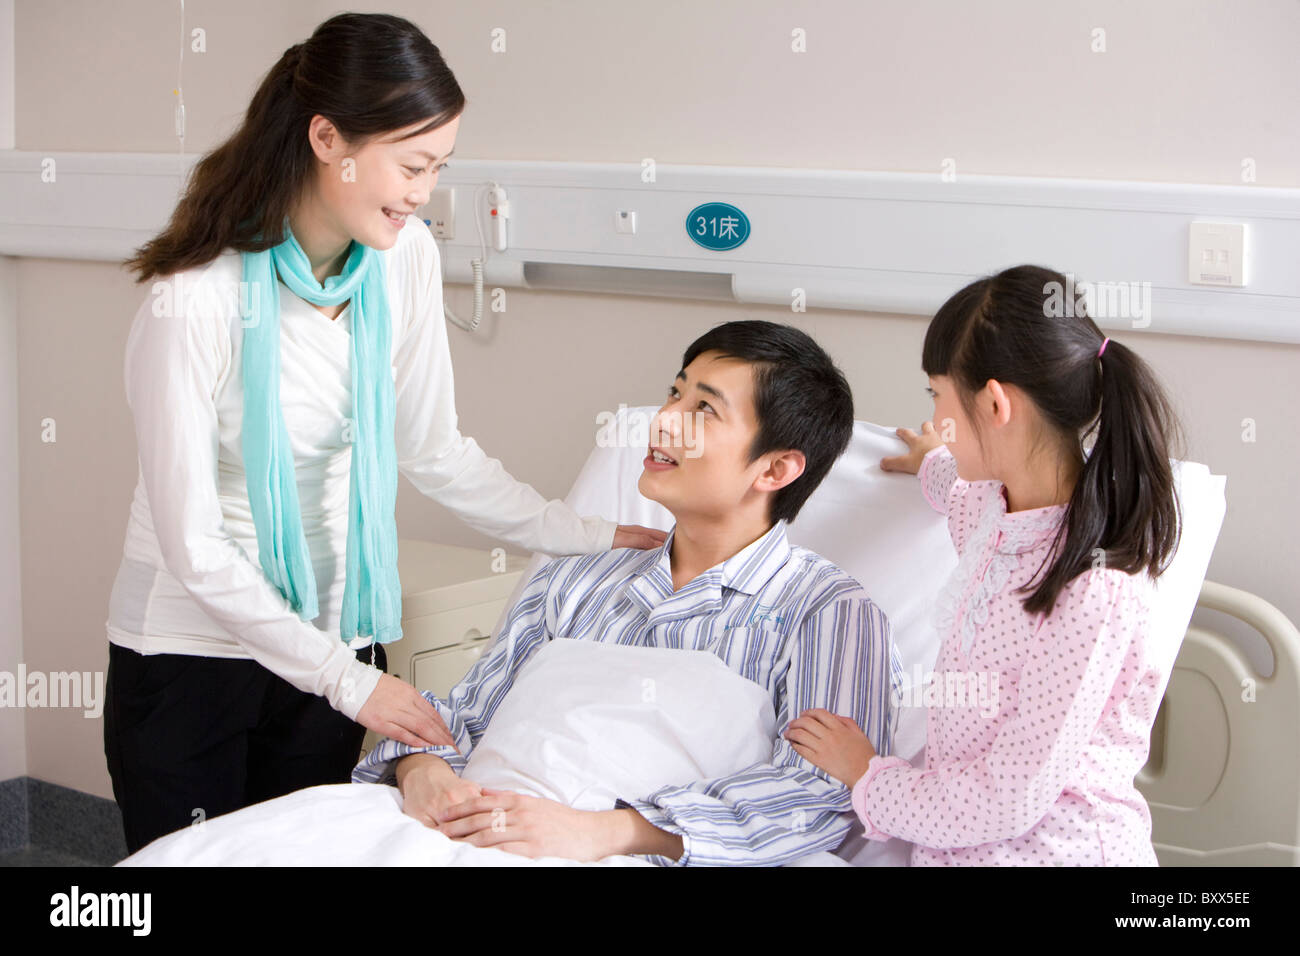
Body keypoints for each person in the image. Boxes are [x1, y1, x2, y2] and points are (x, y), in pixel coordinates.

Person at [103, 12, 663, 855]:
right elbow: (194, 544)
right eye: (412, 165)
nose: (423, 192)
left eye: (438, 167)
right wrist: (348, 683)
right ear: (327, 138)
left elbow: (433, 449)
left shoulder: (403, 261)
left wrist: (580, 532)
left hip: (336, 637)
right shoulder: (199, 298)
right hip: (193, 656)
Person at [354, 319, 905, 866]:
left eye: (703, 409)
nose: (665, 420)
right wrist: (421, 772)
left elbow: (813, 798)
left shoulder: (827, 613)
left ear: (776, 468)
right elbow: (464, 713)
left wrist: (608, 832)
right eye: (674, 392)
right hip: (453, 830)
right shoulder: (579, 576)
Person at [785, 264, 1183, 866]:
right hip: (963, 848)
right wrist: (930, 457)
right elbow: (954, 484)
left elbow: (1008, 797)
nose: (935, 411)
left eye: (936, 395)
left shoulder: (1095, 593)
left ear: (995, 403)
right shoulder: (991, 510)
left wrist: (869, 776)